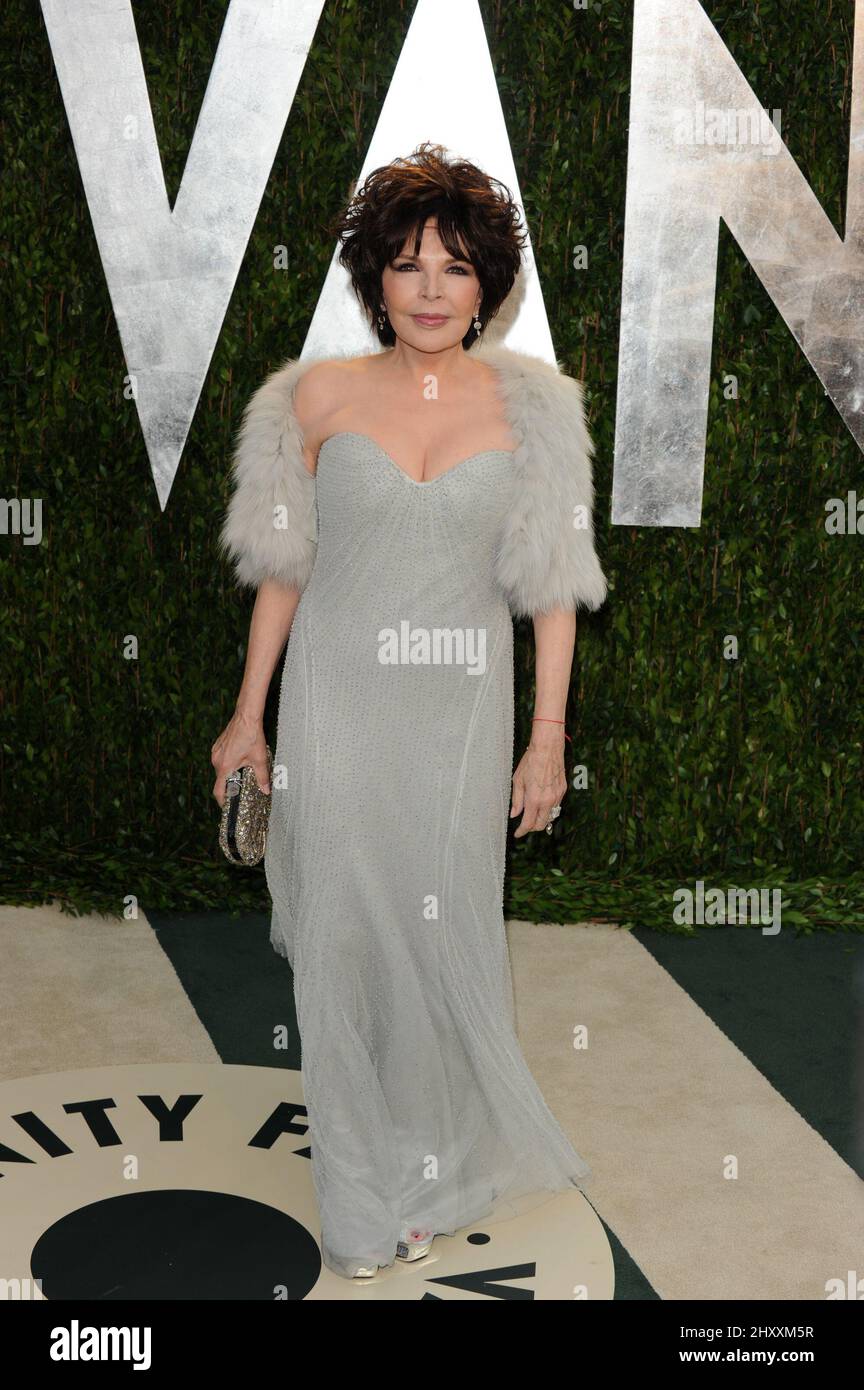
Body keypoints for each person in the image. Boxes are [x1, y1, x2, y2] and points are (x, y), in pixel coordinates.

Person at [211, 143, 608, 1280]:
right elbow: (282, 569)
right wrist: (251, 717)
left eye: (453, 265)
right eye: (405, 263)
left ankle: (426, 1164)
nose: (430, 287)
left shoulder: (539, 411)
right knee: (337, 947)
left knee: (437, 948)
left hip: (460, 728)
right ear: (373, 280)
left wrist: (547, 741)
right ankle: (357, 1194)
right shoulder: (313, 396)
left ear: (488, 282)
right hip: (339, 707)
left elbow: (552, 592)